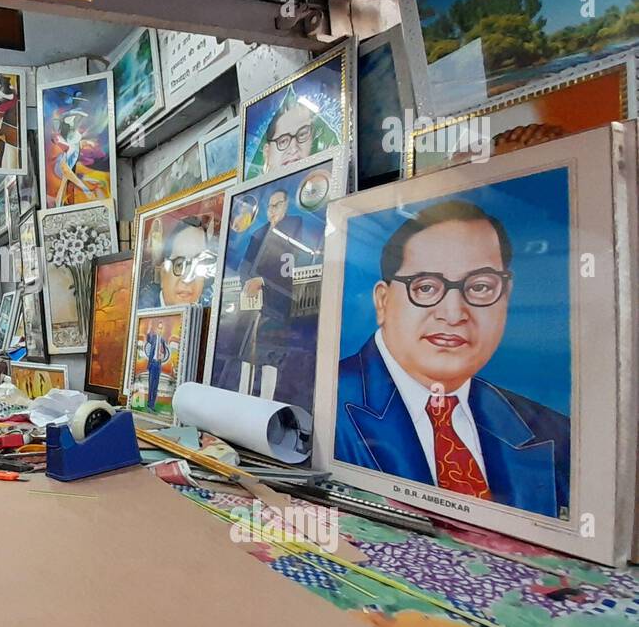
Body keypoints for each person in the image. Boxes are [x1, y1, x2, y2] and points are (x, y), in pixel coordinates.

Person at [335, 200, 569, 518]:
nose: (454, 313)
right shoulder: (323, 404)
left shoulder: (552, 433)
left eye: (481, 287)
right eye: (427, 287)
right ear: (383, 301)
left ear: (506, 296)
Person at [233, 187, 308, 398]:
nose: (272, 210)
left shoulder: (294, 226)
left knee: (271, 356)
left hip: (277, 303)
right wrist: (248, 282)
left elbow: (289, 265)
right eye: (270, 206)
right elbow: (244, 266)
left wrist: (263, 281)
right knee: (247, 356)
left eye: (277, 205)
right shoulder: (259, 233)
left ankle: (266, 402)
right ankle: (242, 399)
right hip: (254, 304)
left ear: (286, 205)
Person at [143, 320, 171, 410]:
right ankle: (149, 404)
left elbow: (165, 351)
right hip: (153, 364)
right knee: (151, 385)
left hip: (158, 365)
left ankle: (152, 405)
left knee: (156, 386)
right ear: (156, 329)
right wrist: (149, 329)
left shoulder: (163, 340)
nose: (160, 330)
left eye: (161, 328)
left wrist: (162, 355)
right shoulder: (154, 338)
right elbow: (148, 339)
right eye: (159, 328)